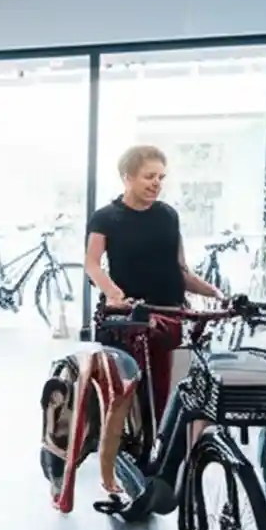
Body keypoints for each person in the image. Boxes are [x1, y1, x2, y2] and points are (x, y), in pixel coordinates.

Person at [82, 144, 223, 495]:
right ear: (127, 176)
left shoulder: (168, 216)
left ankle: (190, 469)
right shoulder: (105, 218)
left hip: (172, 316)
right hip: (127, 320)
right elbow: (92, 265)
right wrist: (115, 294)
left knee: (185, 395)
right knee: (123, 397)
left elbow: (181, 270)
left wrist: (218, 295)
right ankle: (107, 474)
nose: (156, 183)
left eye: (161, 177)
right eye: (149, 176)